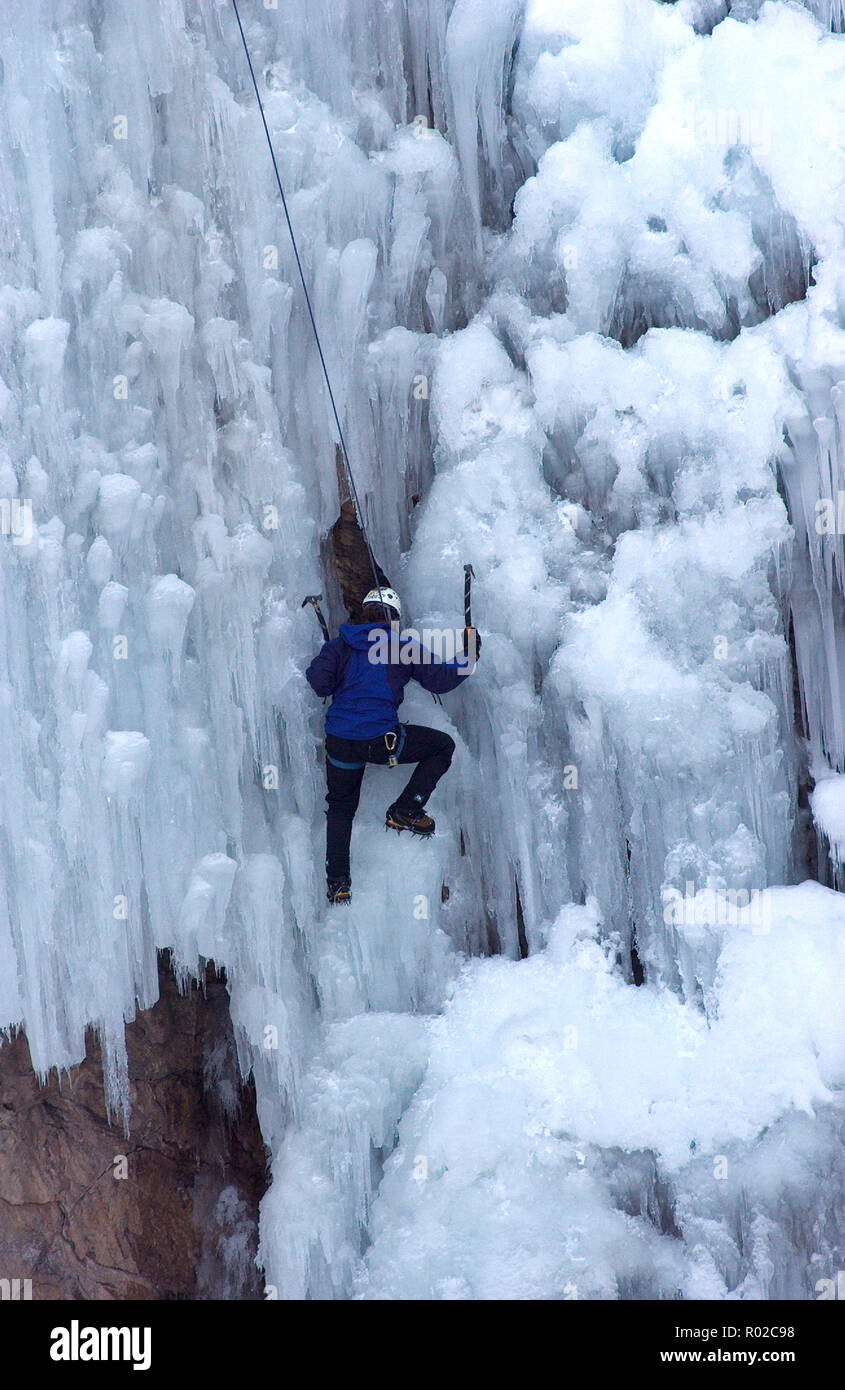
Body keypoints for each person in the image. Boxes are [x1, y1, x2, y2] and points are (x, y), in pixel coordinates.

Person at [305, 586, 481, 904]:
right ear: (395, 618)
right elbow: (442, 679)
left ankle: (338, 884)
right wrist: (469, 653)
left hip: (340, 742)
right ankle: (406, 809)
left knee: (341, 808)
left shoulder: (339, 646)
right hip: (380, 742)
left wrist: (331, 659)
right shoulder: (401, 646)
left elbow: (319, 684)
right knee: (442, 747)